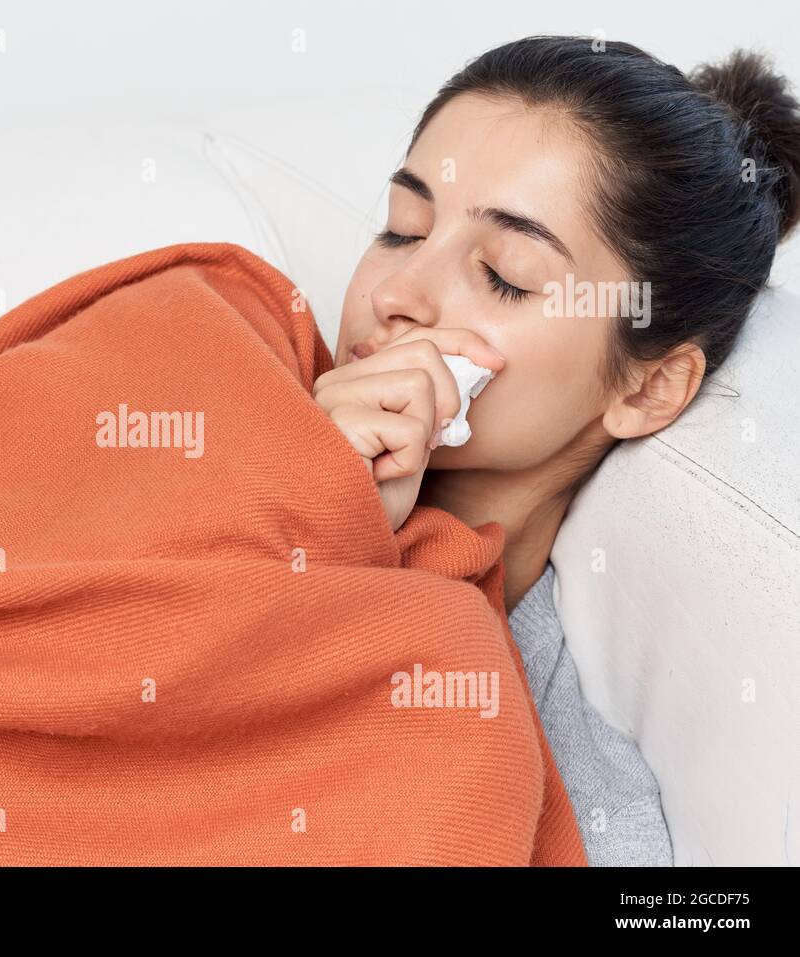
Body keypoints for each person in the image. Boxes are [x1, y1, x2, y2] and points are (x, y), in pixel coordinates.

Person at [312, 35, 800, 864]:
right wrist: (295, 499)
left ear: (647, 389)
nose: (394, 295)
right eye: (402, 230)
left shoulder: (571, 792)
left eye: (504, 275)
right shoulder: (222, 380)